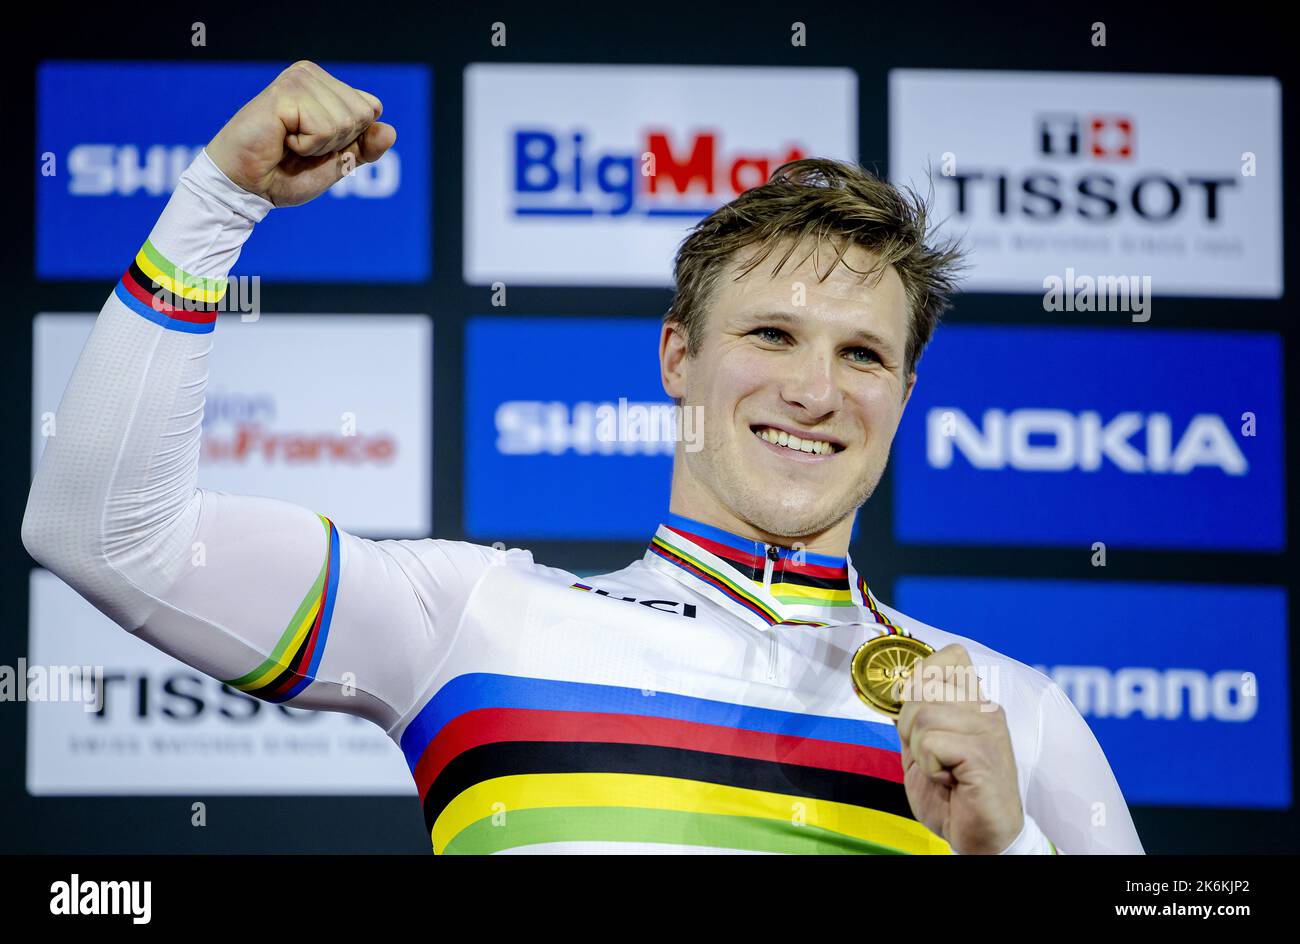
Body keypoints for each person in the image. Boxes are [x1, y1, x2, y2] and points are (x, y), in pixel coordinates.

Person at [22, 60, 1143, 855]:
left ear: (902, 395)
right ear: (675, 356)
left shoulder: (1010, 714)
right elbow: (104, 534)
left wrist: (1007, 852)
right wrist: (216, 201)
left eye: (862, 353)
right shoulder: (468, 620)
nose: (814, 387)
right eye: (770, 334)